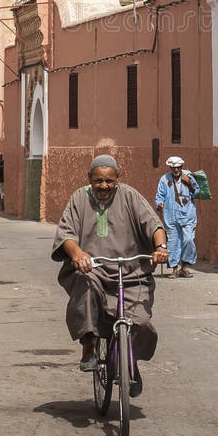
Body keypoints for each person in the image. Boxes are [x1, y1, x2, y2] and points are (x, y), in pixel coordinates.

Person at [52, 154, 169, 396]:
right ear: (90, 179)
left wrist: (160, 248)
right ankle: (89, 346)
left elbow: (154, 224)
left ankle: (130, 363)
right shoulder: (79, 198)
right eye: (98, 181)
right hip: (93, 270)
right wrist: (77, 254)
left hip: (131, 273)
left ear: (117, 179)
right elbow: (66, 234)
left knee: (142, 324)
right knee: (84, 286)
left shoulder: (129, 196)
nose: (103, 186)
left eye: (109, 181)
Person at [155, 157, 199, 279]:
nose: (176, 170)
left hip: (188, 215)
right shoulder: (164, 179)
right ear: (170, 168)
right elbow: (159, 196)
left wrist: (189, 183)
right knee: (173, 242)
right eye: (173, 168)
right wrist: (159, 204)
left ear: (181, 167)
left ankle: (185, 267)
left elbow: (197, 193)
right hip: (171, 215)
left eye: (178, 167)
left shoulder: (188, 176)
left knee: (188, 240)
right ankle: (174, 269)